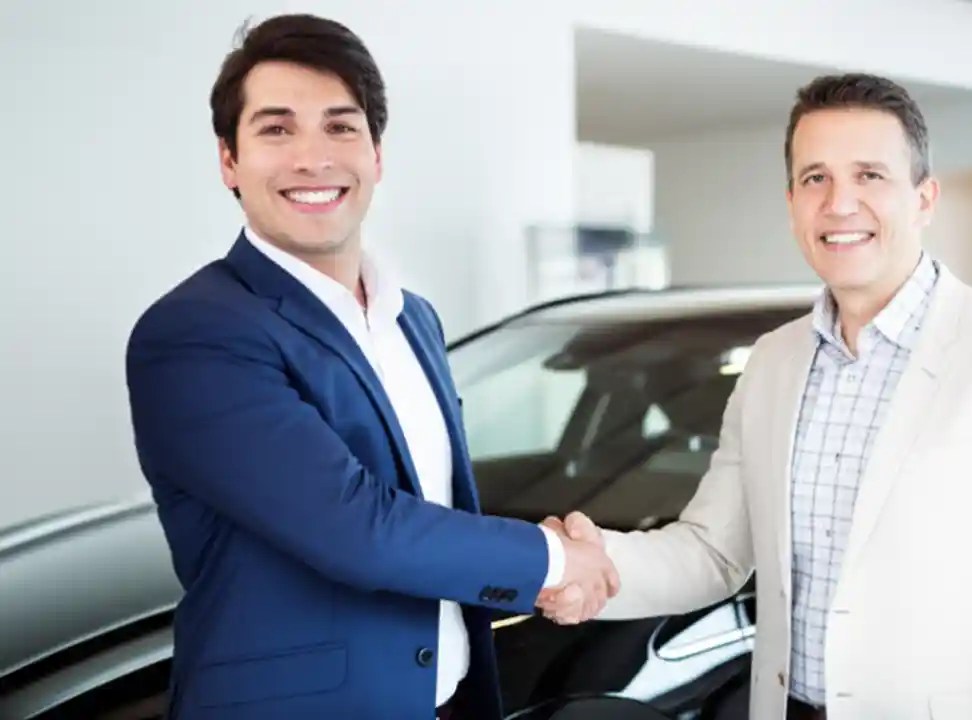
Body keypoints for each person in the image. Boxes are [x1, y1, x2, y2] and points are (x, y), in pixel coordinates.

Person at [537, 73, 972, 720]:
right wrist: (583, 561)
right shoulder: (772, 362)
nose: (839, 202)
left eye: (870, 175)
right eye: (816, 178)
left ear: (924, 198)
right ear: (791, 202)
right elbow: (714, 551)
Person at [125, 14, 617, 720]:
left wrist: (539, 572)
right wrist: (555, 560)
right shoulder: (196, 332)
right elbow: (360, 528)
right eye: (276, 129)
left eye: (340, 126)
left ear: (377, 154)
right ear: (229, 160)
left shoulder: (412, 317)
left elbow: (431, 513)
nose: (312, 157)